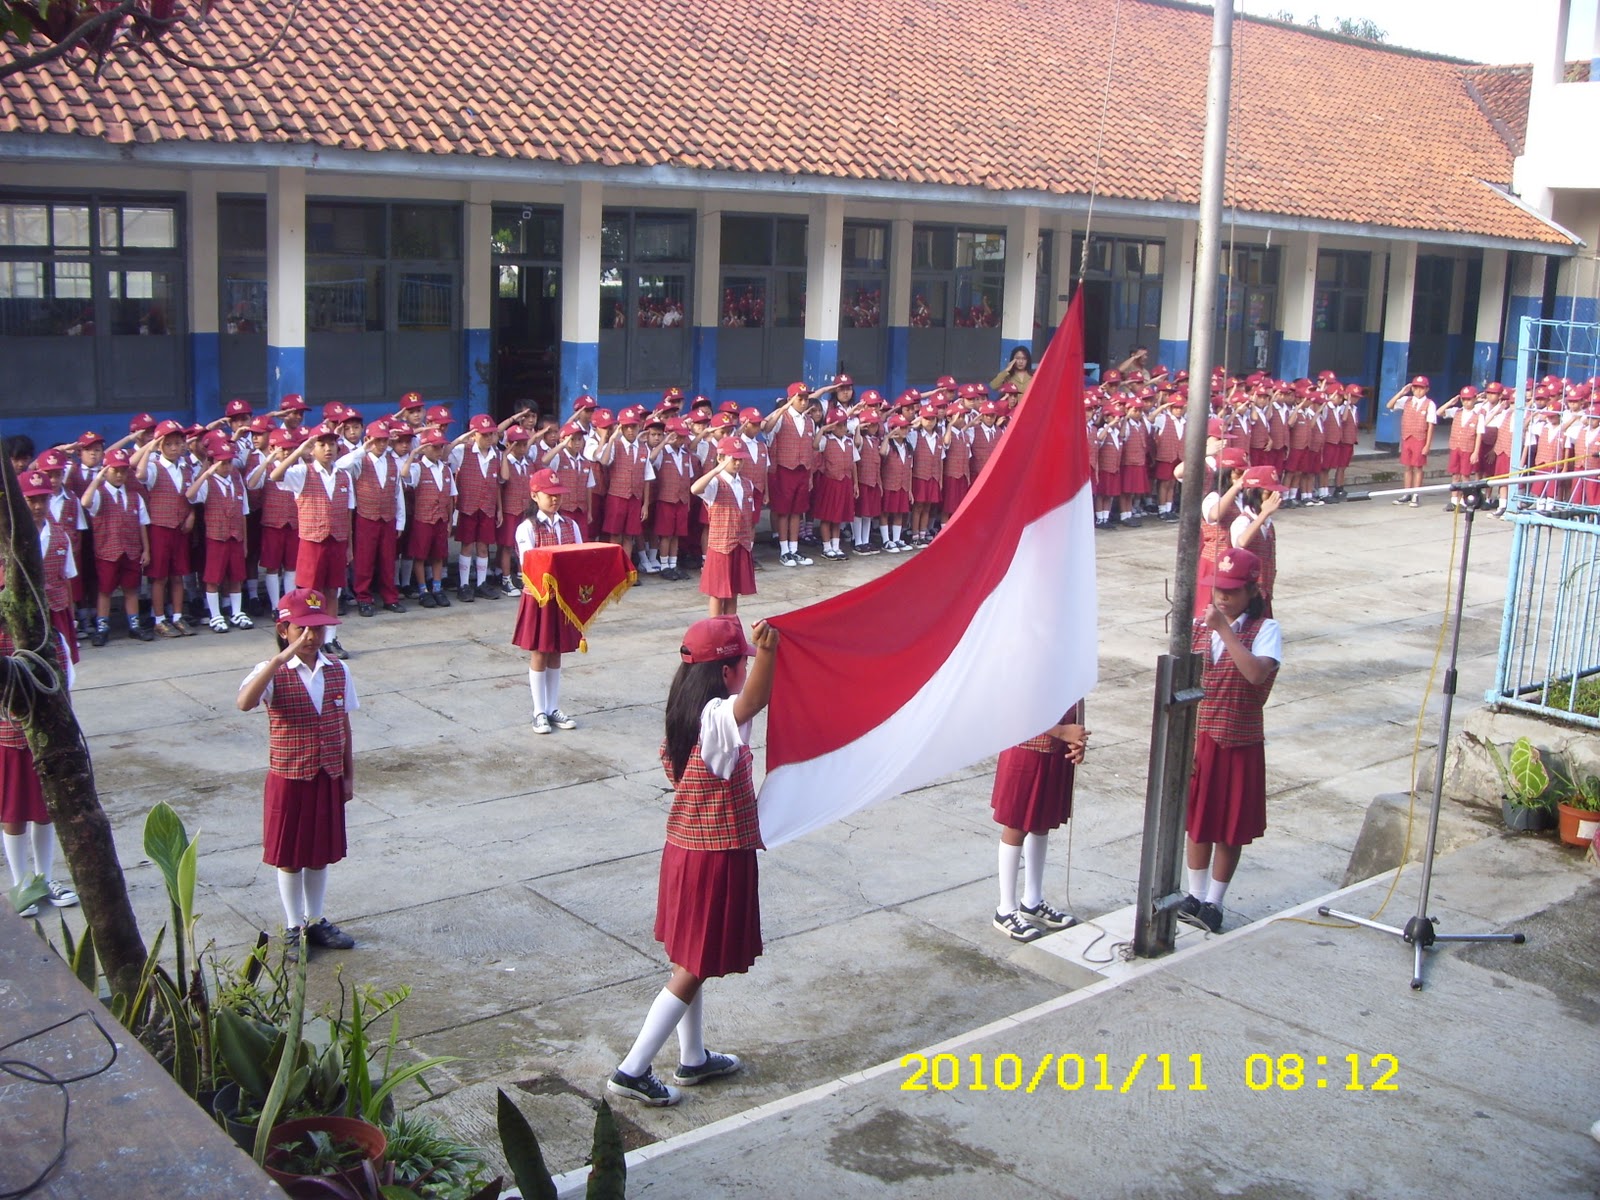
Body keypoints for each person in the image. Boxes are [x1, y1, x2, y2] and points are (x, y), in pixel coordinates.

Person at [608, 616, 778, 1107]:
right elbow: (755, 701)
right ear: (726, 672)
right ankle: (633, 1069)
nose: (747, 667)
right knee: (692, 967)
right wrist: (770, 654)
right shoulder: (720, 718)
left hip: (683, 849)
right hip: (712, 858)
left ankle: (693, 1057)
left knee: (691, 959)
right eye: (742, 661)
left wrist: (759, 656)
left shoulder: (684, 712)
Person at [236, 586, 359, 962]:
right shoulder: (272, 672)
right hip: (289, 774)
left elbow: (344, 725)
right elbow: (244, 703)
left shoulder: (337, 669)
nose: (311, 637)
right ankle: (293, 925)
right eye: (302, 629)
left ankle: (316, 918)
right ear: (283, 630)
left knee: (319, 851)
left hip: (326, 772)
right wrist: (278, 661)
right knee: (289, 854)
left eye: (318, 629)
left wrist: (348, 775)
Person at [1178, 547, 1281, 935]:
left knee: (1231, 825)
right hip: (1203, 735)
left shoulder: (1265, 631)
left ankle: (1215, 900)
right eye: (1218, 589)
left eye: (1233, 591)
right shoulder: (1199, 628)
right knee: (1199, 820)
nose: (1222, 598)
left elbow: (1256, 674)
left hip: (1240, 738)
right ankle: (1193, 892)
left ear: (1252, 592)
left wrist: (1224, 630)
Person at [990, 704, 1087, 942]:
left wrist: (1078, 740)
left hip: (1057, 745)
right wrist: (1064, 732)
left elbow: (1077, 696)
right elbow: (1019, 706)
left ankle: (1032, 901)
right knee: (1016, 824)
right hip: (1026, 745)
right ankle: (1006, 909)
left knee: (1041, 821)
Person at [269, 423, 354, 659]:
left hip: (336, 539)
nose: (328, 449)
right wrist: (298, 451)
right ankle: (307, 638)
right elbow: (276, 475)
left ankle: (331, 638)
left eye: (332, 444)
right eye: (322, 444)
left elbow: (348, 512)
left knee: (332, 591)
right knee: (310, 593)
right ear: (312, 449)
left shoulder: (343, 475)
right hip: (312, 540)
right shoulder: (303, 472)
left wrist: (349, 545)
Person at [511, 469, 584, 735]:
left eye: (558, 496)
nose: (555, 500)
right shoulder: (527, 527)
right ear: (534, 495)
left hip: (562, 598)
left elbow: (578, 556)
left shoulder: (570, 525)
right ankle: (538, 711)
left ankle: (553, 707)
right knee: (540, 651)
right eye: (548, 495)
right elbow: (528, 563)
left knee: (557, 651)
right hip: (540, 597)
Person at [185, 438, 254, 633]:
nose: (227, 467)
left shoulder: (236, 480)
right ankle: (215, 614)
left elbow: (244, 512)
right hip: (216, 536)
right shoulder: (208, 482)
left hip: (236, 536)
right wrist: (206, 472)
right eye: (222, 463)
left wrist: (245, 541)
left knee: (236, 576)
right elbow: (190, 495)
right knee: (213, 578)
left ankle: (236, 611)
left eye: (229, 462)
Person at [691, 437, 758, 618]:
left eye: (740, 459)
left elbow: (748, 515)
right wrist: (716, 470)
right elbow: (695, 489)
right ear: (721, 458)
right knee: (718, 593)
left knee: (734, 591)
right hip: (721, 545)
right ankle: (716, 629)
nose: (737, 463)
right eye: (732, 459)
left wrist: (749, 541)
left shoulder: (747, 483)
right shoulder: (715, 483)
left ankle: (730, 627)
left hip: (741, 544)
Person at [1386, 375, 1437, 506]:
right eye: (1415, 388)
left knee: (1418, 467)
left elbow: (1431, 425)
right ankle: (1407, 493)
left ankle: (1415, 494)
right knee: (1407, 467)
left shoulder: (1429, 404)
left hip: (1420, 439)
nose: (1418, 391)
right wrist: (1401, 392)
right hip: (1407, 437)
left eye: (1421, 388)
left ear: (1426, 389)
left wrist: (1427, 445)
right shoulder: (1406, 400)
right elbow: (1389, 405)